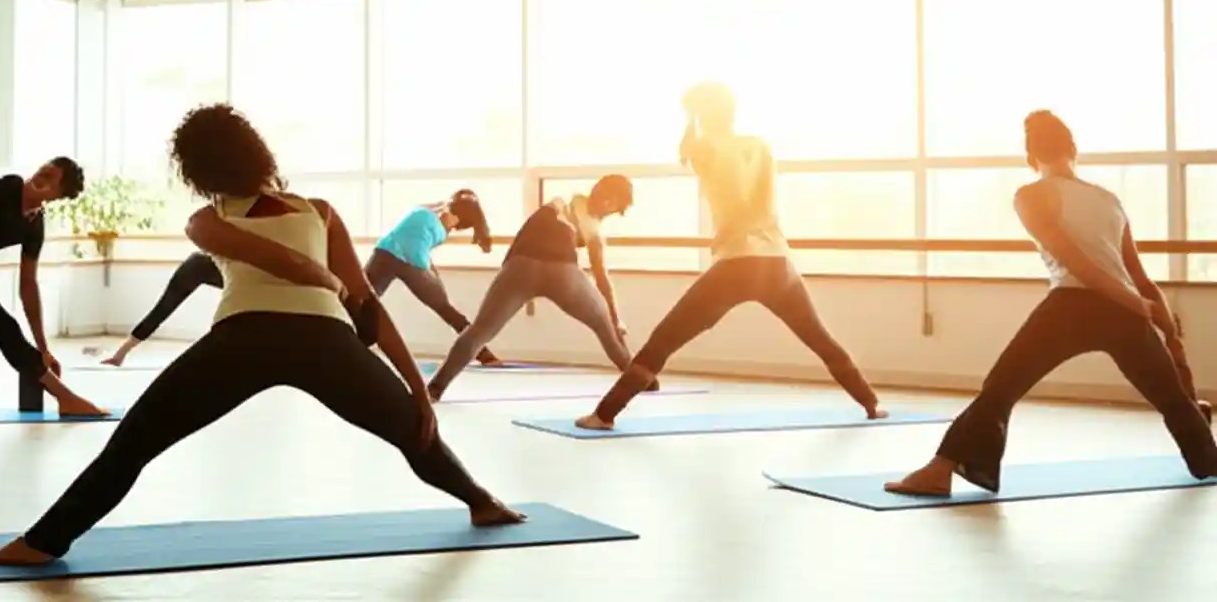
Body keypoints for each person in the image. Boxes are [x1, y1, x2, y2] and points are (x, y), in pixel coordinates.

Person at [0, 104, 524, 567]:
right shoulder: (271, 214)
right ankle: (480, 500)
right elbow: (319, 280)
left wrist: (418, 389)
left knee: (134, 444)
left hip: (249, 338)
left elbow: (363, 300)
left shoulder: (221, 217)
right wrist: (331, 287)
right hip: (317, 339)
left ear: (200, 168)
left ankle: (43, 542)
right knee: (412, 429)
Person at [883, 110, 1217, 497]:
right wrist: (1161, 321)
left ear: (1030, 157)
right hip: (1124, 311)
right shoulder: (1108, 200)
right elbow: (1139, 277)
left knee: (1000, 388)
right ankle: (1208, 461)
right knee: (1174, 400)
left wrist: (1145, 309)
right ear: (1074, 150)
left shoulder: (1031, 195)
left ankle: (939, 470)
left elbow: (1079, 265)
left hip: (1071, 306)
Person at [575, 82, 885, 430]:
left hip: (736, 263)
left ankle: (604, 415)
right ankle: (870, 403)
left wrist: (690, 115)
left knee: (664, 339)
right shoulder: (759, 146)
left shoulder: (704, 146)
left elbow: (687, 151)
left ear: (704, 115)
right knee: (819, 337)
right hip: (776, 261)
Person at [102, 190, 501, 368]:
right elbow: (413, 253)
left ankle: (476, 352)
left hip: (378, 262)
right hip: (387, 260)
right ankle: (125, 349)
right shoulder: (428, 216)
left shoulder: (435, 220)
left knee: (359, 305)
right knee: (361, 304)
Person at [426, 175, 637, 401]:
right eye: (609, 201)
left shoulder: (564, 203)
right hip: (553, 271)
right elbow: (601, 277)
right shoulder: (587, 223)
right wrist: (615, 318)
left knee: (479, 331)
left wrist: (614, 318)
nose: (606, 207)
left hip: (522, 269)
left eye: (612, 205)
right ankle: (638, 377)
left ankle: (434, 390)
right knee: (605, 324)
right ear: (598, 190)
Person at [0, 160, 107, 416]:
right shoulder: (10, 186)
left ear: (57, 195)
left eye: (50, 178)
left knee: (4, 329)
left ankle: (64, 397)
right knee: (4, 327)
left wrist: (43, 348)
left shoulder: (34, 227)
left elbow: (28, 285)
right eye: (42, 171)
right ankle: (65, 398)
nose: (41, 178)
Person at [365, 190, 504, 366]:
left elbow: (420, 248)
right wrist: (433, 279)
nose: (453, 227)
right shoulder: (432, 222)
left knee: (363, 298)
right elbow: (416, 253)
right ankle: (484, 354)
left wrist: (434, 278)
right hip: (399, 259)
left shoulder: (428, 215)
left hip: (388, 253)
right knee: (444, 308)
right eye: (456, 224)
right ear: (455, 215)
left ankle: (483, 354)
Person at [99, 251, 222, 366]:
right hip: (196, 266)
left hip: (204, 265)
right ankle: (120, 354)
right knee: (163, 309)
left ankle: (120, 354)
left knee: (162, 310)